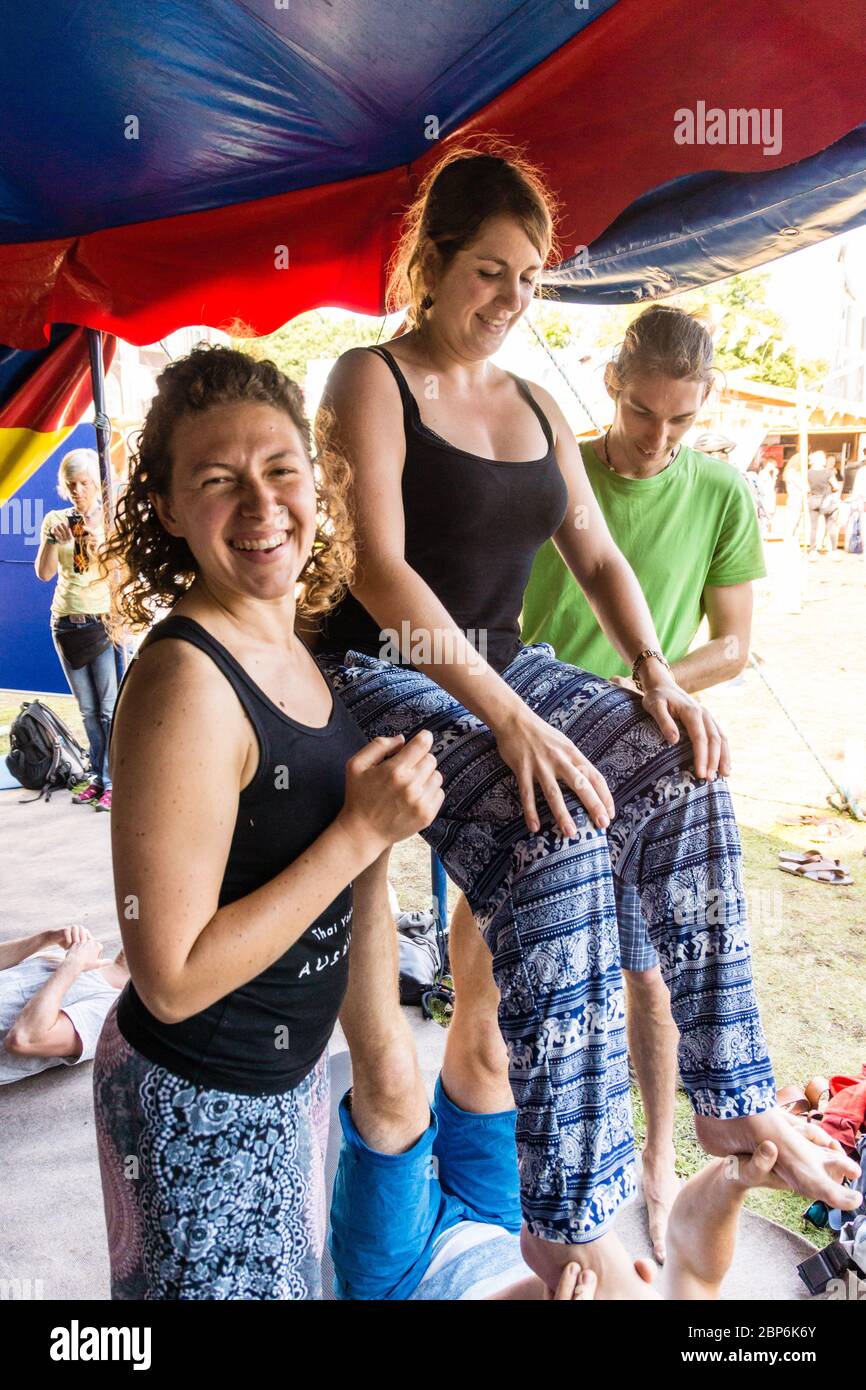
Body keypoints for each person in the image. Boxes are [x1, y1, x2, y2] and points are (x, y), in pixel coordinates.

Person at [313, 146, 860, 1295]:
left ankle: (731, 1090)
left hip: (510, 665)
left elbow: (596, 554)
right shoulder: (370, 381)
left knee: (684, 765)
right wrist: (508, 717)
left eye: (526, 279)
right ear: (432, 258)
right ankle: (563, 1208)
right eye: (487, 272)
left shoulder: (532, 405)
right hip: (383, 669)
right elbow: (375, 567)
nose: (507, 300)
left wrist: (656, 672)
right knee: (556, 830)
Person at [92, 345, 444, 1300]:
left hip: (279, 1083)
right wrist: (359, 836)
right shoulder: (187, 682)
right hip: (199, 1099)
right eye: (218, 480)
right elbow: (168, 979)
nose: (260, 505)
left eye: (280, 469)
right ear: (167, 510)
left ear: (317, 480)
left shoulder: (288, 641)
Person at [328, 845, 856, 1300]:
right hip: (509, 1223)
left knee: (390, 1081)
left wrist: (538, 1292)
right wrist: (736, 1177)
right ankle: (489, 837)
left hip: (402, 1279)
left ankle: (363, 847)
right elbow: (691, 1262)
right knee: (491, 1048)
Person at [520, 306, 768, 1258]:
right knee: (513, 967)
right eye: (641, 412)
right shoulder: (555, 463)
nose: (657, 439)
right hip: (534, 753)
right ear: (613, 379)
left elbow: (735, 644)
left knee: (648, 981)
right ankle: (530, 1175)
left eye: (680, 422)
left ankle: (658, 1169)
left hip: (640, 755)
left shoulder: (722, 494)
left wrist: (643, 685)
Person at [34, 448, 117, 811]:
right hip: (66, 620)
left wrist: (105, 549)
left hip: (102, 621)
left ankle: (114, 780)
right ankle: (98, 776)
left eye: (84, 483)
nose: (78, 491)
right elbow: (44, 573)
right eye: (72, 485)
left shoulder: (112, 521)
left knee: (108, 710)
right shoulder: (56, 519)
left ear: (98, 485)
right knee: (86, 710)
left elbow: (123, 578)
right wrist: (52, 540)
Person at [1, 926, 127, 1084]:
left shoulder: (110, 1012)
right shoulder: (76, 958)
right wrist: (46, 938)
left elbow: (25, 1039)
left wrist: (73, 964)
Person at [807, 449, 842, 556]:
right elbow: (836, 486)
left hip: (813, 500)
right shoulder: (828, 472)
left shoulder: (809, 472)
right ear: (821, 460)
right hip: (827, 501)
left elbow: (807, 488)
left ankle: (812, 550)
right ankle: (834, 550)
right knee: (831, 525)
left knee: (813, 527)